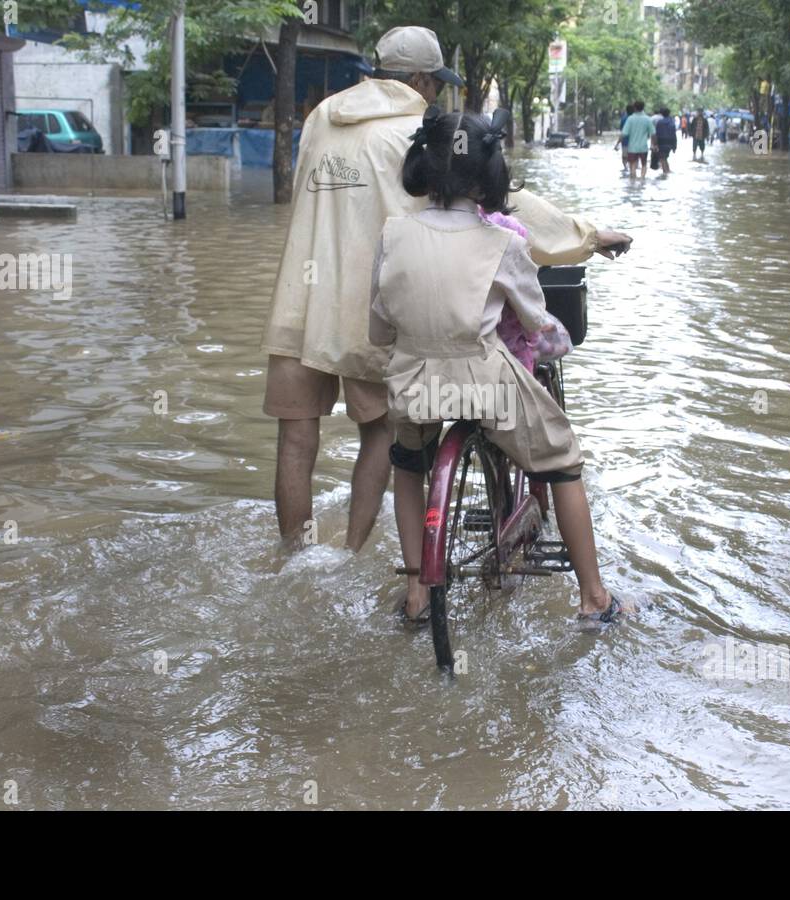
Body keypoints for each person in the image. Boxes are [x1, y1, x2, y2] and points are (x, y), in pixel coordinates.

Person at [261, 25, 633, 554]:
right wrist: (588, 236)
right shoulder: (422, 130)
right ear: (418, 78)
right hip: (373, 301)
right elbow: (505, 203)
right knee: (380, 436)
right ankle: (349, 554)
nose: (434, 92)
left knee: (296, 436)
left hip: (300, 300)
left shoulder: (322, 116)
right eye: (433, 82)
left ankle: (294, 558)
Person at [370, 109, 627, 625]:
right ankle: (595, 599)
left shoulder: (393, 233)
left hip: (412, 384)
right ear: (490, 174)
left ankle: (419, 594)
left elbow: (379, 329)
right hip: (485, 388)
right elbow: (534, 321)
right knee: (562, 458)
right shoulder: (504, 241)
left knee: (407, 464)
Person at [621, 100, 655, 179]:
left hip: (632, 148)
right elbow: (653, 134)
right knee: (643, 164)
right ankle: (642, 180)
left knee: (632, 165)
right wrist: (654, 145)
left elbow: (624, 133)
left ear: (634, 108)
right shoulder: (647, 119)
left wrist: (617, 143)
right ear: (643, 107)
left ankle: (633, 181)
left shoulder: (630, 119)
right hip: (643, 147)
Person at [653, 107, 677, 177]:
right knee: (664, 158)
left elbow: (656, 134)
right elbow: (674, 135)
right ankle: (668, 171)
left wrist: (655, 144)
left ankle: (665, 173)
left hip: (662, 143)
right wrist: (674, 146)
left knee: (662, 158)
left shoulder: (659, 122)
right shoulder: (672, 122)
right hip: (670, 143)